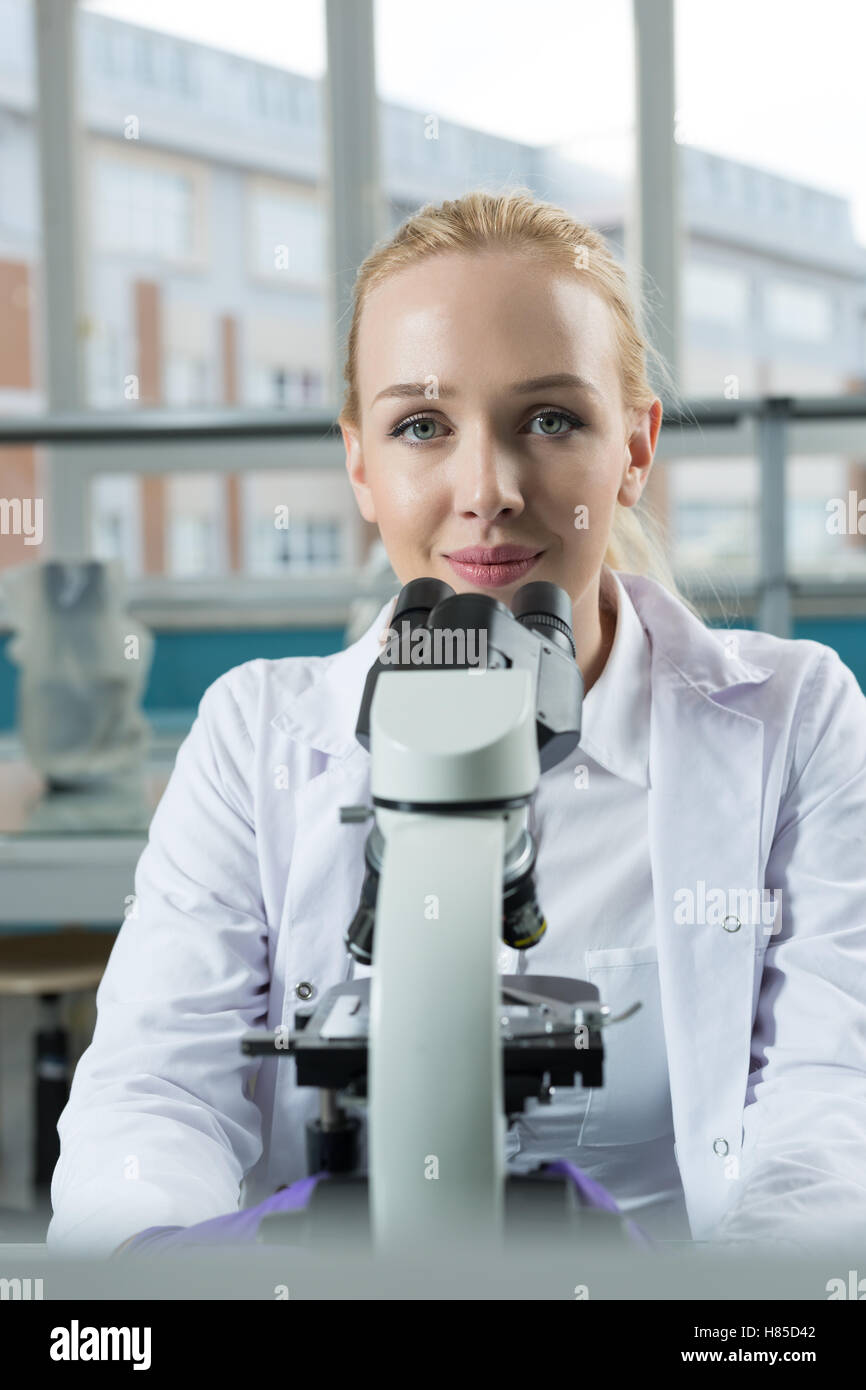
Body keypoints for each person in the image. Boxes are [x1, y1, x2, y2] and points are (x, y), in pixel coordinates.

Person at [47, 189, 866, 1258]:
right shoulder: (256, 733)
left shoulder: (793, 718)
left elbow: (826, 1119)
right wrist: (181, 1267)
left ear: (635, 447)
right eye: (421, 426)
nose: (486, 488)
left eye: (551, 419)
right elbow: (153, 1095)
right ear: (359, 464)